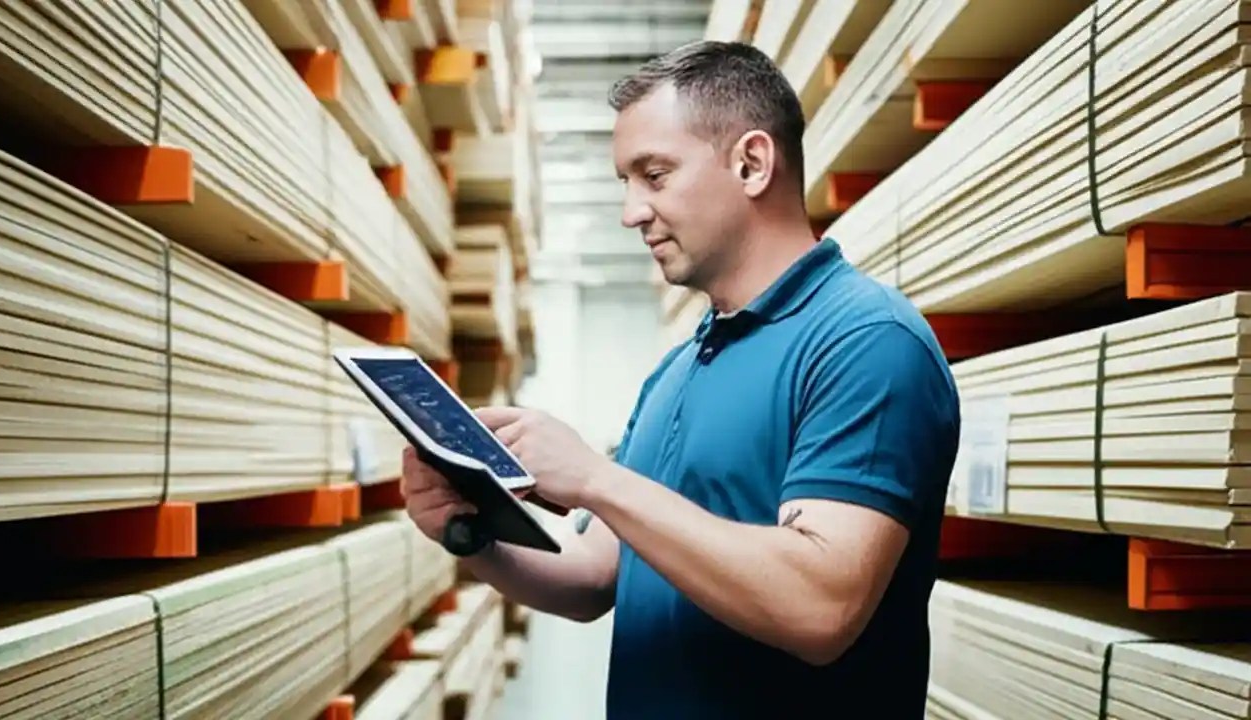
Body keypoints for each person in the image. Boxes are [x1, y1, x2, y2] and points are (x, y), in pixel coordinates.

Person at [401, 40, 961, 719]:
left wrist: (594, 478)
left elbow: (822, 606)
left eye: (654, 175)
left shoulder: (865, 341)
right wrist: (470, 531)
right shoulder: (680, 367)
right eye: (625, 182)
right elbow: (594, 574)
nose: (630, 212)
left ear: (752, 163)